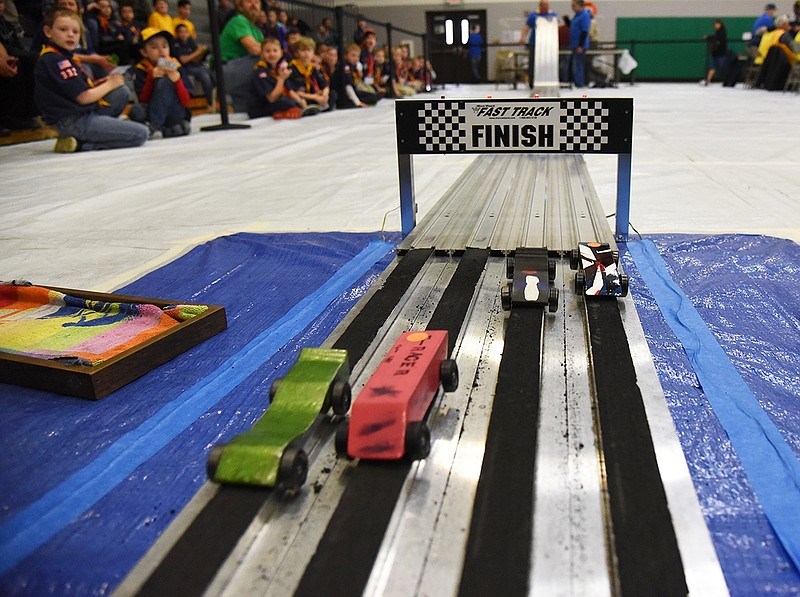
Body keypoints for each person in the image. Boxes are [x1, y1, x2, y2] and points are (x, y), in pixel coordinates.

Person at [34, 6, 148, 151]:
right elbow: (83, 97)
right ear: (48, 32)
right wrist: (110, 84)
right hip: (73, 121)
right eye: (63, 30)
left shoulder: (64, 57)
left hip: (81, 114)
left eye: (75, 32)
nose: (70, 35)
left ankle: (100, 131)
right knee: (140, 134)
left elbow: (73, 90)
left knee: (121, 92)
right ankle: (82, 144)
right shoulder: (56, 60)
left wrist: (97, 85)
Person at [129, 26, 191, 137]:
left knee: (165, 82)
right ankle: (167, 129)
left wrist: (177, 82)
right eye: (154, 47)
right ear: (144, 52)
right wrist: (151, 79)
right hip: (152, 109)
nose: (161, 51)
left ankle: (155, 127)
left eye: (164, 46)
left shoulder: (177, 66)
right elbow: (143, 100)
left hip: (174, 109)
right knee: (136, 110)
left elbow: (185, 101)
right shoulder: (141, 69)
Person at [0, 0, 40, 131]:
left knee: (29, 60)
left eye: (1, 2)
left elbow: (17, 46)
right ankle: (9, 116)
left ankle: (26, 114)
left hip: (9, 55)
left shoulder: (6, 24)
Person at [219, 0, 262, 111]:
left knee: (245, 112)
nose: (254, 4)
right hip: (224, 70)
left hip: (240, 70)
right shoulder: (238, 20)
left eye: (257, 2)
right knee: (268, 59)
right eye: (249, 1)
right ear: (240, 7)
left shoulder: (257, 30)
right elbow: (256, 50)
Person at [247, 35, 302, 119]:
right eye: (267, 51)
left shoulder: (278, 69)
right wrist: (282, 79)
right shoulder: (261, 72)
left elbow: (290, 90)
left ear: (281, 53)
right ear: (262, 53)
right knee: (286, 103)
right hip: (259, 108)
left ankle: (286, 111)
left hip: (275, 102)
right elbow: (271, 98)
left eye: (275, 51)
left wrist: (300, 101)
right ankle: (284, 112)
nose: (272, 54)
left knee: (296, 102)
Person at [518, 0, 557, 87]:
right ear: (540, 6)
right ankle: (532, 83)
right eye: (544, 5)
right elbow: (526, 27)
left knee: (548, 63)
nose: (546, 7)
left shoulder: (553, 15)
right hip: (535, 44)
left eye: (547, 5)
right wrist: (522, 37)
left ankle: (548, 82)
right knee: (533, 64)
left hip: (548, 45)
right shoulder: (533, 15)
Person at [171, 21, 212, 103]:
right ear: (177, 33)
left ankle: (216, 99)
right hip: (183, 68)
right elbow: (184, 60)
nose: (184, 34)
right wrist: (198, 52)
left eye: (186, 32)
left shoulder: (190, 40)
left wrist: (201, 52)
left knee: (212, 72)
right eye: (181, 32)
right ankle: (210, 101)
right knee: (204, 76)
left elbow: (195, 59)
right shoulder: (175, 43)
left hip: (195, 65)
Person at [286, 35, 329, 112]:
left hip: (313, 95)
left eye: (309, 50)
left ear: (313, 53)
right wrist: (315, 97)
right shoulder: (292, 68)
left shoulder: (312, 68)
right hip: (302, 97)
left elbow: (324, 84)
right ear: (296, 53)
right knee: (294, 102)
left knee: (333, 94)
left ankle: (318, 105)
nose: (306, 53)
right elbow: (294, 91)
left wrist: (325, 94)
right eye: (303, 50)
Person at [337, 41, 379, 108]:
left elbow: (356, 84)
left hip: (354, 90)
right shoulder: (345, 66)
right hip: (343, 94)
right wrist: (358, 103)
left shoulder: (354, 67)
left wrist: (360, 76)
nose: (356, 58)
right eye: (353, 55)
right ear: (345, 56)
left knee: (373, 97)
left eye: (358, 56)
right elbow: (348, 86)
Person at [569, 0, 591, 87]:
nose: (572, 7)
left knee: (578, 65)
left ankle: (580, 83)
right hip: (574, 44)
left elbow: (584, 31)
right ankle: (577, 82)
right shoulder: (577, 16)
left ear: (579, 5)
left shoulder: (584, 15)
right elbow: (573, 26)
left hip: (580, 45)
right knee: (576, 64)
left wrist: (580, 46)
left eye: (574, 6)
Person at [701, 19, 727, 85]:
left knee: (723, 67)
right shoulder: (717, 32)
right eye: (715, 25)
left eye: (716, 24)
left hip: (721, 53)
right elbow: (715, 38)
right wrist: (709, 38)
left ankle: (726, 80)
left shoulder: (722, 32)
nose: (715, 26)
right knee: (713, 67)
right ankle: (708, 80)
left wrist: (709, 38)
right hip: (715, 53)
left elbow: (718, 40)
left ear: (720, 24)